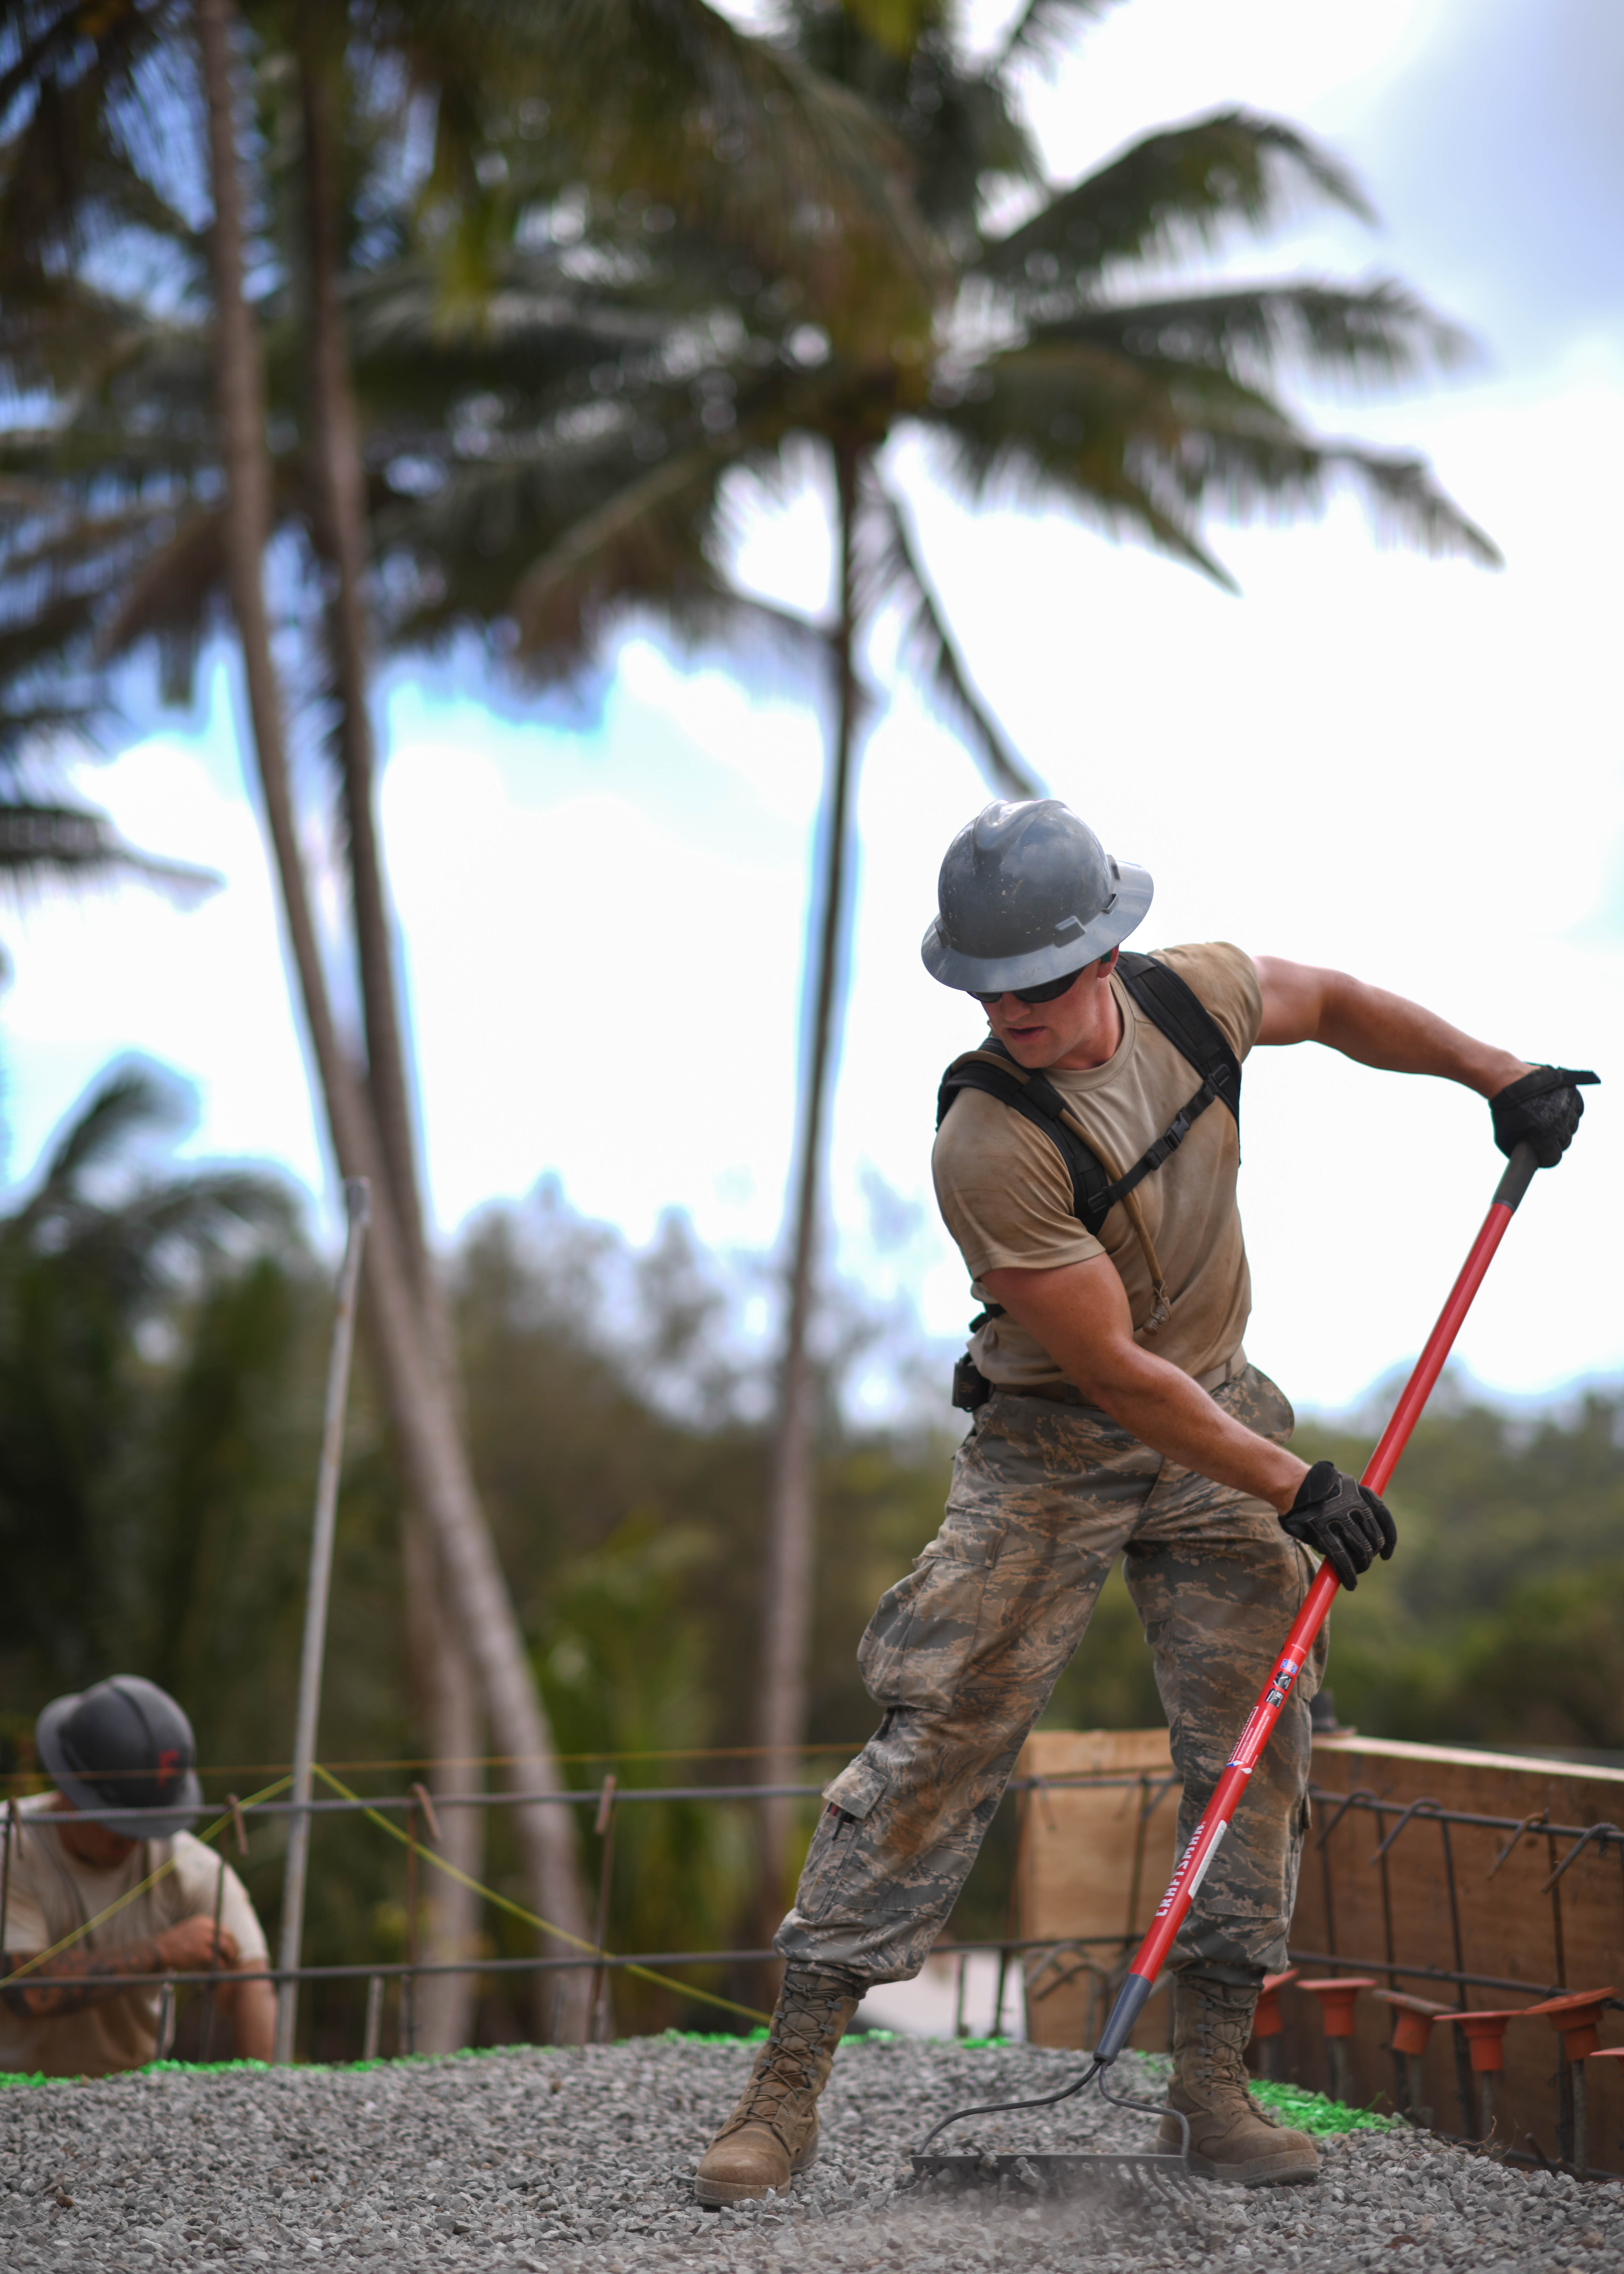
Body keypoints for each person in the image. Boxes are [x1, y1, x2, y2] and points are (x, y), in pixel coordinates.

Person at [697, 798, 1595, 2201]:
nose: (1012, 1012)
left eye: (1039, 984)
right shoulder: (987, 1140)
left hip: (1219, 1402)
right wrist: (1297, 1481)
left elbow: (1340, 1001)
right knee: (944, 1723)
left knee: (1258, 1728)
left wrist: (1499, 1073)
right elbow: (1112, 1368)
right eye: (985, 989)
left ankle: (1213, 2084)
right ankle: (785, 2091)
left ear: (1106, 954)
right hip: (1055, 1437)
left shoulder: (1197, 995)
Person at [0, 1675, 273, 2077]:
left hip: (130, 2092)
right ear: (72, 1791)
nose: (133, 1839)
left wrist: (264, 2099)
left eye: (147, 1825)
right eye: (120, 1822)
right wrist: (161, 1952)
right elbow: (30, 1991)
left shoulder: (190, 1867)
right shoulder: (12, 1846)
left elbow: (252, 1982)